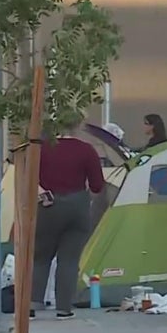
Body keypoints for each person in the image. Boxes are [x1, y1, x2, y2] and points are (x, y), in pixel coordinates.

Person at [33, 126, 105, 319]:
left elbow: (29, 177)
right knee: (69, 260)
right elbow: (97, 185)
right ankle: (64, 307)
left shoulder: (42, 149)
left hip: (48, 205)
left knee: (40, 257)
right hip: (77, 207)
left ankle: (33, 303)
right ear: (78, 126)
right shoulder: (86, 150)